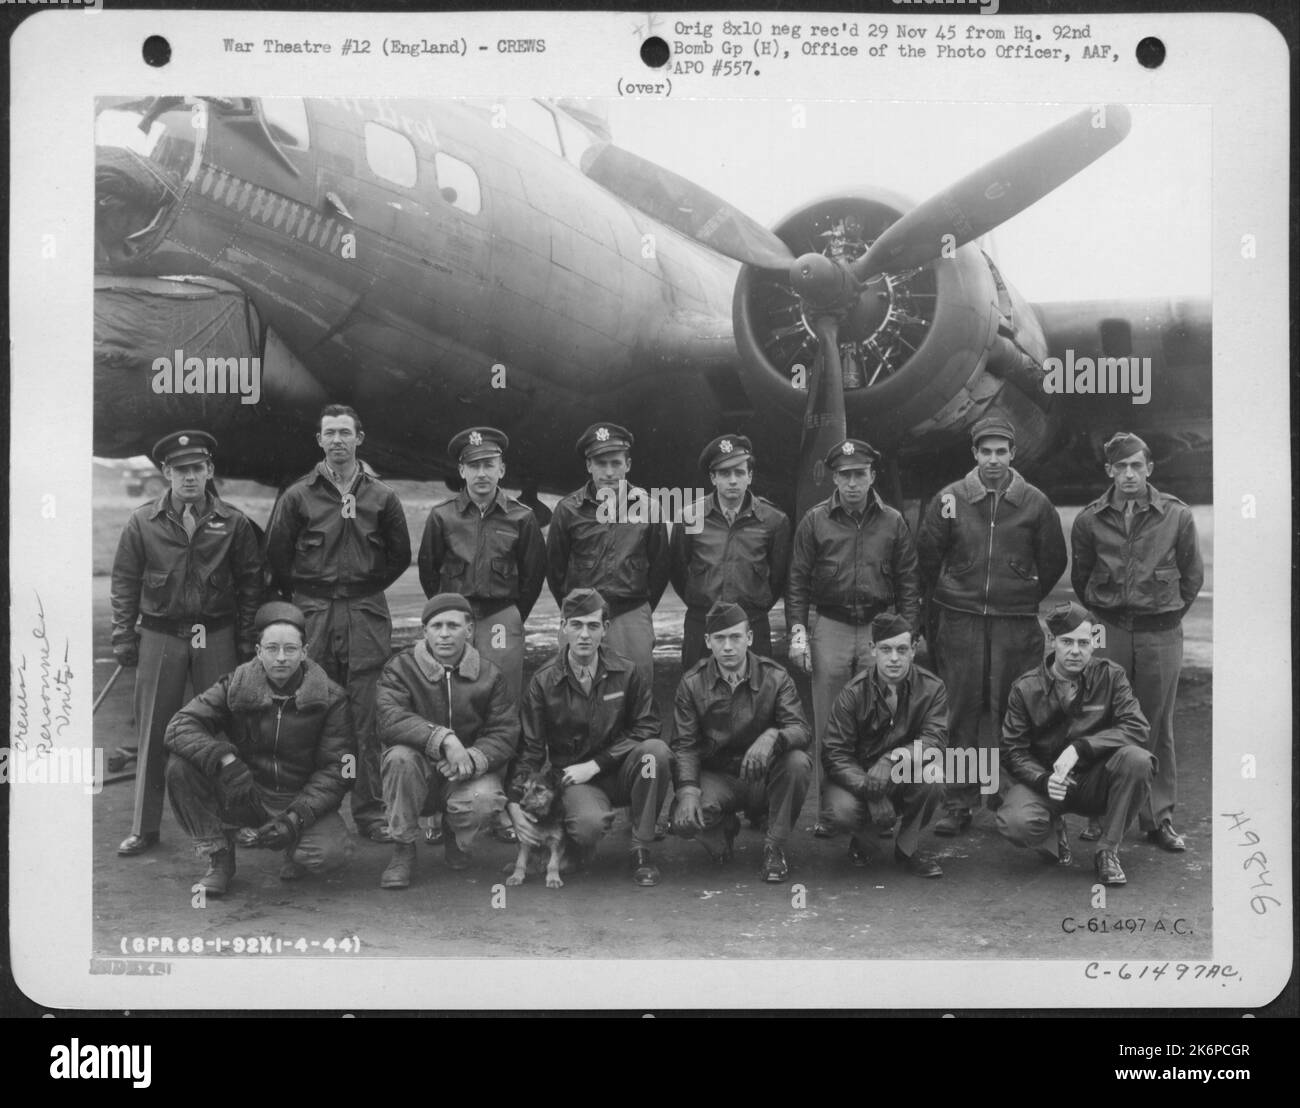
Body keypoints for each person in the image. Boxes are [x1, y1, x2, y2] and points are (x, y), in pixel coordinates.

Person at [110, 429, 263, 857]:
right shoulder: (143, 521)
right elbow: (124, 581)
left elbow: (252, 583)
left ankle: (230, 821)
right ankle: (144, 827)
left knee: (220, 729)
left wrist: (247, 638)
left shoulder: (233, 522)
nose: (190, 477)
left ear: (210, 470)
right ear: (166, 473)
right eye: (181, 470)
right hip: (161, 634)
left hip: (215, 634)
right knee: (153, 730)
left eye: (197, 468)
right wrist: (124, 634)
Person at [265, 403, 411, 844]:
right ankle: (314, 809)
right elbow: (277, 555)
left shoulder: (382, 497)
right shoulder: (298, 496)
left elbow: (399, 556)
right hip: (315, 615)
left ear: (359, 438)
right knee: (311, 711)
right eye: (329, 433)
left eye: (345, 432)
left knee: (368, 717)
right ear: (320, 440)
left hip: (364, 614)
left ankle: (370, 810)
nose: (337, 441)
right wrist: (314, 592)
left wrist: (363, 586)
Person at [916, 415, 1067, 837]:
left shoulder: (1034, 502)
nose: (994, 459)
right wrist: (955, 583)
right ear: (975, 454)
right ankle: (959, 801)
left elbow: (1053, 559)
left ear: (1013, 454)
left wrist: (1021, 589)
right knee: (960, 714)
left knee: (1012, 714)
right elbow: (928, 554)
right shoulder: (950, 499)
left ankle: (1006, 796)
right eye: (986, 452)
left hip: (1014, 625)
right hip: (960, 621)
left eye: (1002, 451)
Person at [163, 602, 355, 897]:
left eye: (290, 649)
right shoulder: (236, 685)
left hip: (297, 796)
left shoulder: (331, 698)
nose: (281, 658)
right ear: (258, 651)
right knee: (180, 765)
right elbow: (179, 725)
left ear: (304, 652)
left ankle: (293, 847)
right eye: (272, 648)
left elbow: (337, 771)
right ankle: (220, 858)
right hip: (244, 789)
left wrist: (295, 820)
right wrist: (225, 759)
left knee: (329, 854)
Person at [1070, 432, 1204, 852]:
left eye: (1136, 466)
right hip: (1110, 629)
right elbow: (1081, 577)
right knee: (1102, 718)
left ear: (1149, 469)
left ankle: (1157, 817)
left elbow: (1192, 576)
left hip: (1160, 631)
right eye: (1121, 467)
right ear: (1109, 471)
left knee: (1156, 723)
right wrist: (1109, 616)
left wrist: (1164, 616)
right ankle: (1099, 812)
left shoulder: (1176, 517)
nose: (1129, 474)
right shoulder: (1090, 520)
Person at [785, 438, 920, 836]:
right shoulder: (814, 521)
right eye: (845, 475)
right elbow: (798, 581)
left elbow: (909, 582)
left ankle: (878, 800)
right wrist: (797, 632)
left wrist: (908, 635)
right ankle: (833, 809)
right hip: (832, 625)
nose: (853, 483)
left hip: (880, 629)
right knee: (831, 725)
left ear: (872, 476)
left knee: (883, 719)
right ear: (834, 478)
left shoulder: (893, 521)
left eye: (860, 474)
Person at [508, 588, 671, 886]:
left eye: (593, 626)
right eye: (577, 624)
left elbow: (647, 725)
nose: (584, 634)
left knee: (655, 754)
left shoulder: (627, 671)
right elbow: (530, 749)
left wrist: (597, 763)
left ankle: (641, 849)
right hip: (574, 781)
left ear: (605, 629)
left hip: (620, 770)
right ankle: (576, 842)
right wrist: (515, 802)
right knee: (588, 826)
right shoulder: (543, 682)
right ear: (563, 626)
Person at [997, 602, 1154, 886]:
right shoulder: (1025, 688)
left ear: (1094, 642)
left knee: (1138, 761)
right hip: (1048, 782)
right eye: (1066, 642)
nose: (1075, 651)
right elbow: (1012, 751)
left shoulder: (1111, 675)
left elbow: (1137, 726)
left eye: (1083, 642)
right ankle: (1052, 830)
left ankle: (1108, 850)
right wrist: (1044, 780)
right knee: (1016, 824)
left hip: (1095, 778)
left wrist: (1082, 747)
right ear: (1051, 641)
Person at [375, 593, 520, 889]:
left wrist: (472, 758)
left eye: (453, 626)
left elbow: (504, 732)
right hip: (418, 772)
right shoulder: (400, 669)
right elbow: (390, 718)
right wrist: (444, 739)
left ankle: (455, 834)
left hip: (465, 774)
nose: (444, 634)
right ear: (423, 631)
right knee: (399, 758)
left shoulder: (490, 675)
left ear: (469, 630)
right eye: (436, 625)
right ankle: (403, 848)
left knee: (486, 799)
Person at [670, 601, 811, 882]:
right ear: (708, 642)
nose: (728, 647)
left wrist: (774, 737)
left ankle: (775, 847)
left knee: (797, 763)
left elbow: (801, 729)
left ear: (749, 638)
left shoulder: (775, 676)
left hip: (762, 775)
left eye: (735, 637)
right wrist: (687, 791)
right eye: (720, 639)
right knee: (683, 822)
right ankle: (723, 826)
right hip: (718, 777)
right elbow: (684, 745)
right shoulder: (691, 683)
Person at [417, 426, 545, 702]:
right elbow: (429, 570)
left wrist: (513, 614)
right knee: (452, 690)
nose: (482, 473)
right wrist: (446, 611)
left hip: (500, 615)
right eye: (474, 465)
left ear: (502, 469)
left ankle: (504, 744)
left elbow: (533, 574)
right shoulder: (442, 516)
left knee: (503, 689)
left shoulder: (522, 518)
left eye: (489, 464)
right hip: (457, 615)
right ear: (462, 471)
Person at [821, 613, 948, 878]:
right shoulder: (853, 693)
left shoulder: (932, 688)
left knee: (935, 775)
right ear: (873, 650)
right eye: (886, 649)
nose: (894, 658)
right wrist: (872, 792)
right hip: (861, 781)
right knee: (839, 811)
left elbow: (934, 741)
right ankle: (863, 837)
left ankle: (908, 848)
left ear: (913, 651)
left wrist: (893, 758)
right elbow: (835, 754)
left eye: (902, 650)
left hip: (902, 774)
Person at [545, 423, 670, 686]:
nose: (610, 472)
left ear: (628, 464)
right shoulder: (568, 509)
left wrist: (641, 610)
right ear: (589, 465)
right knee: (577, 692)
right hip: (582, 617)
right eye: (601, 463)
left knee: (635, 693)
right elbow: (555, 569)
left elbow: (660, 567)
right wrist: (576, 609)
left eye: (616, 462)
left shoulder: (649, 507)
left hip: (630, 615)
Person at [669, 434, 791, 669]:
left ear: (750, 476)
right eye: (725, 473)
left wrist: (755, 606)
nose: (733, 480)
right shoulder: (689, 518)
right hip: (702, 624)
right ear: (713, 478)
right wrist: (701, 601)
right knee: (699, 698)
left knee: (755, 697)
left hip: (751, 624)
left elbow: (777, 579)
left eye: (739, 472)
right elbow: (678, 570)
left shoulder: (774, 521)